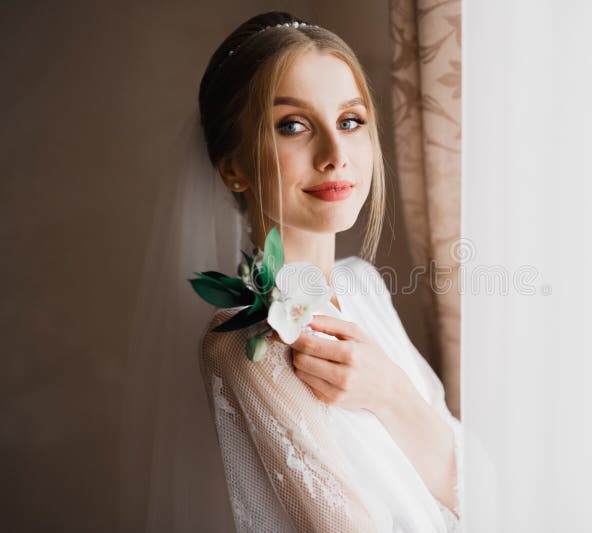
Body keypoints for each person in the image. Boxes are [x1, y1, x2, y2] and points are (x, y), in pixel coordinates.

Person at [195, 11, 463, 532]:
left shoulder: (363, 286)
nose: (335, 154)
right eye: (293, 126)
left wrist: (387, 391)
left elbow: (472, 486)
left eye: (350, 121)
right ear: (234, 167)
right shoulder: (249, 340)